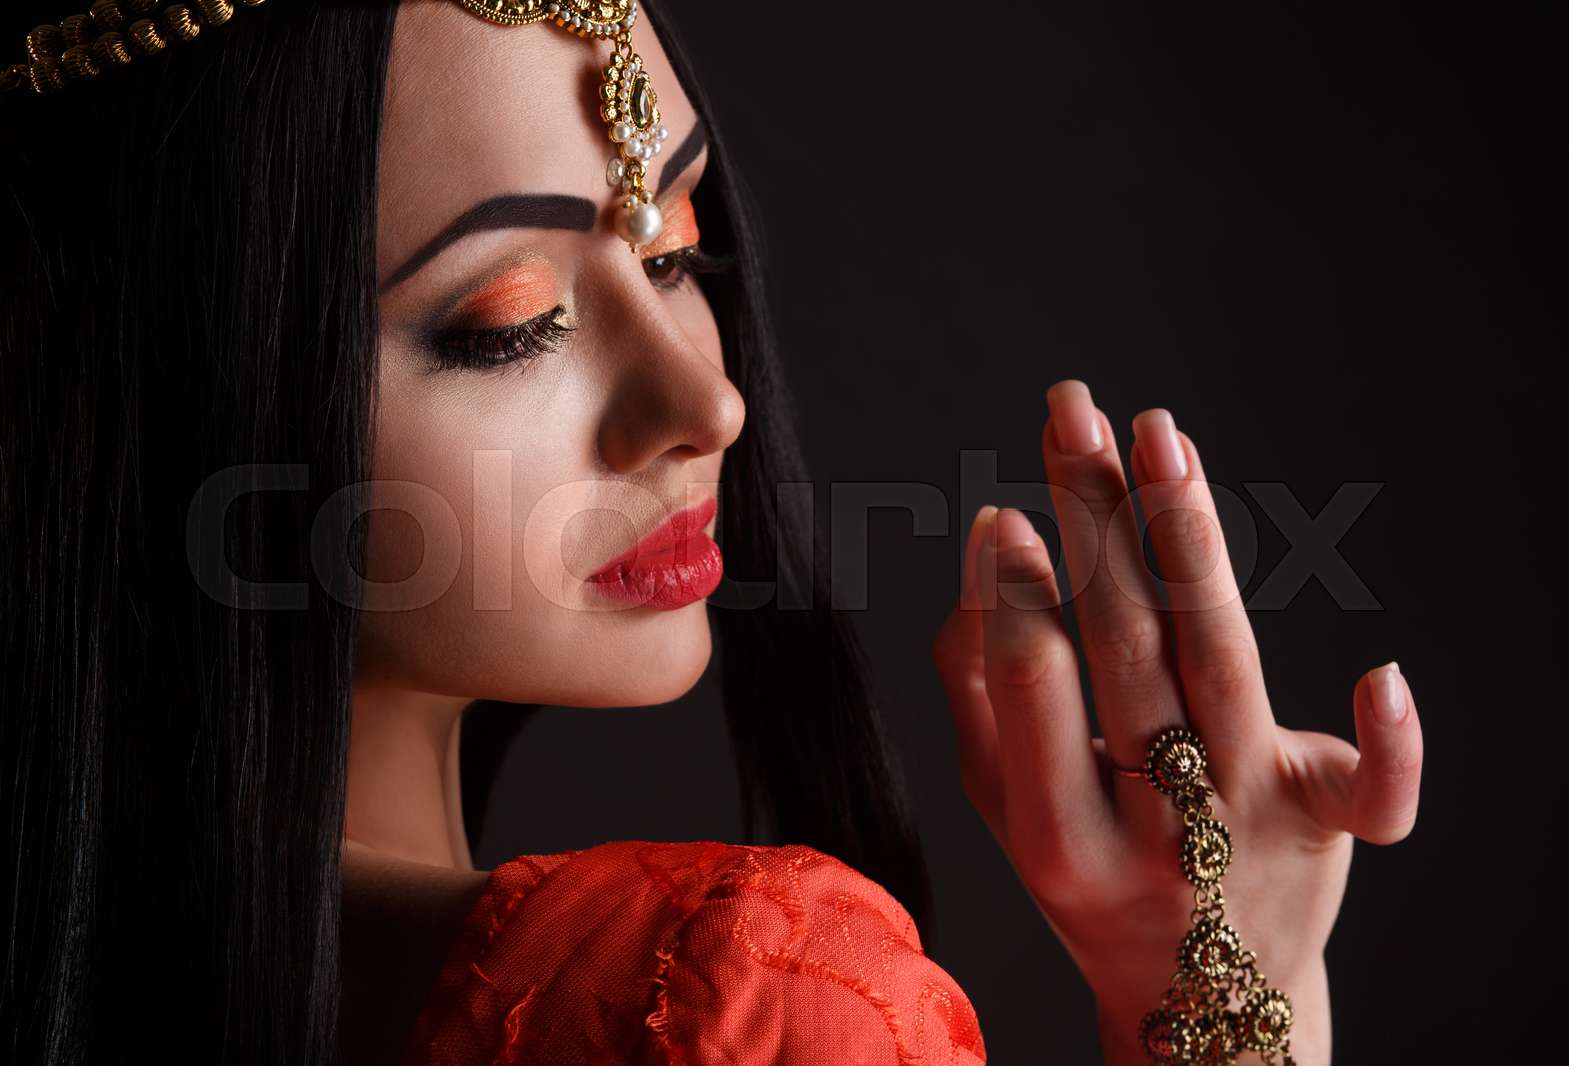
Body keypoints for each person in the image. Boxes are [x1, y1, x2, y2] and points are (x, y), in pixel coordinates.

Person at [0, 3, 1424, 1064]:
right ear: (163, 391)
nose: (710, 396)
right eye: (512, 325)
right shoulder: (732, 1001)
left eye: (676, 249)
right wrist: (1237, 988)